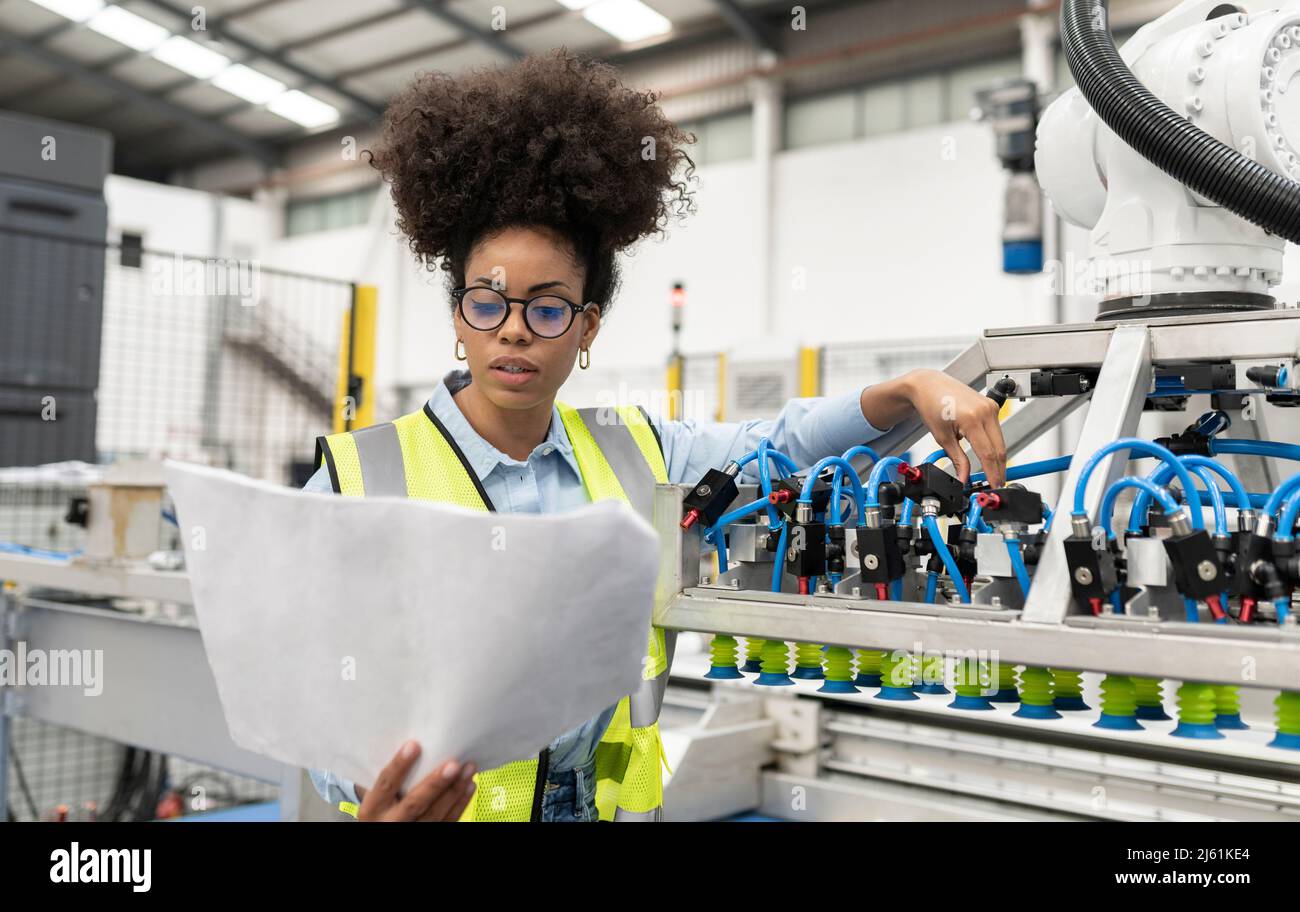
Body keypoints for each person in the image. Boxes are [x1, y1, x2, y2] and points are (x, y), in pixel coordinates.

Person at [304, 49, 1007, 822]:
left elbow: (788, 450)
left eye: (546, 308)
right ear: (458, 315)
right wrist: (368, 797)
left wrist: (907, 388)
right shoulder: (358, 476)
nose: (513, 332)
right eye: (488, 303)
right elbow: (308, 679)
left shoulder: (639, 453)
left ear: (586, 327)